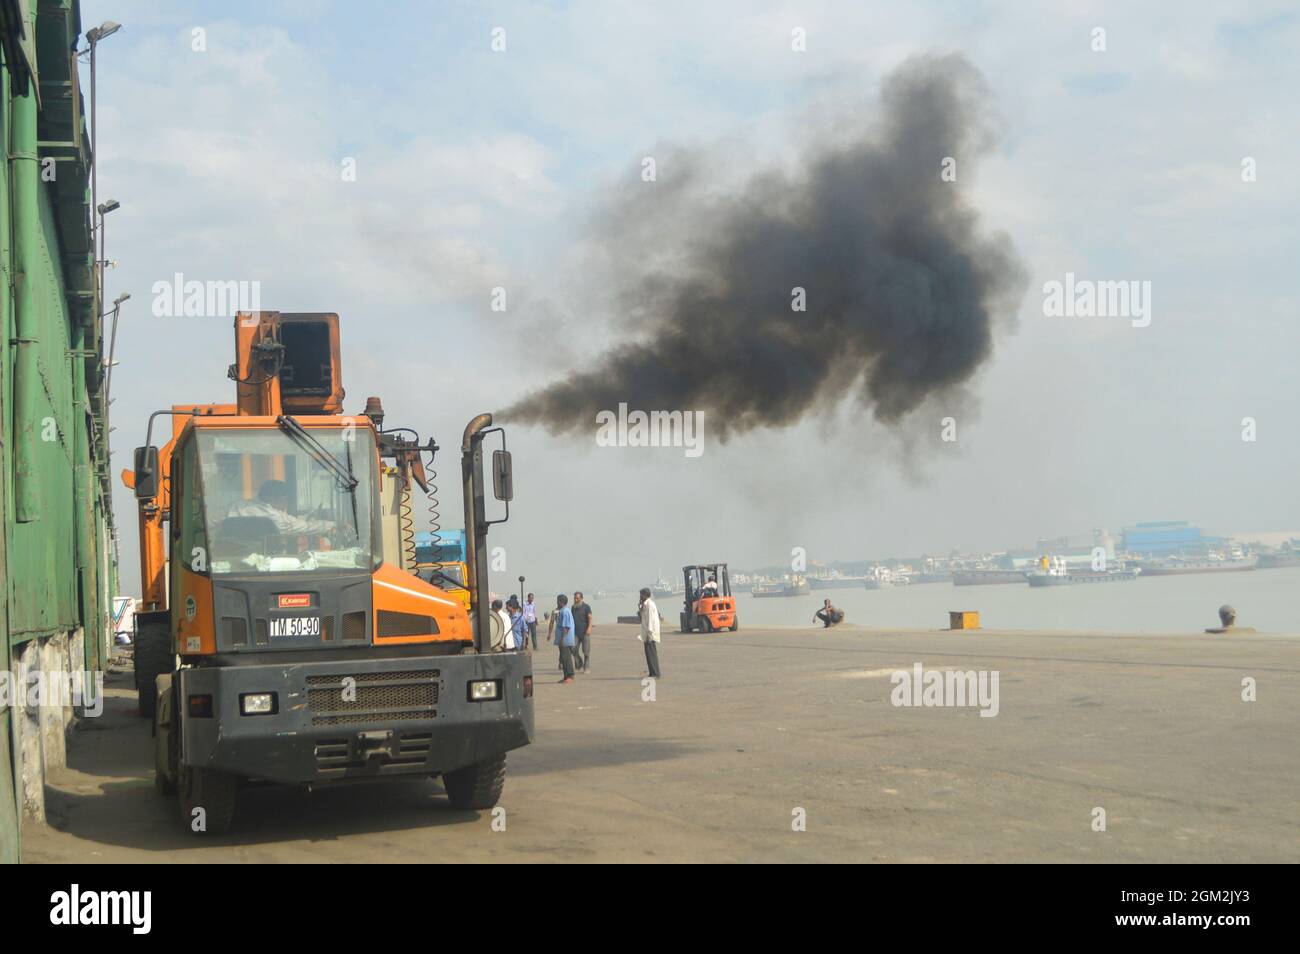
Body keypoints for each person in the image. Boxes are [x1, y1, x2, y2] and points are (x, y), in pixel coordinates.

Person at [227, 479, 335, 536]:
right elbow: (306, 527)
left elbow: (211, 522)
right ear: (271, 498)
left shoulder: (235, 506)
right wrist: (335, 525)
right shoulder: (274, 517)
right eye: (285, 499)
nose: (286, 504)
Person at [639, 587, 661, 678]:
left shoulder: (649, 605)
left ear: (645, 595)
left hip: (650, 633)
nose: (640, 597)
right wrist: (640, 607)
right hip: (647, 632)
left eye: (641, 595)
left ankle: (655, 672)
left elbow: (650, 620)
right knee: (648, 653)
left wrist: (649, 633)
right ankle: (652, 672)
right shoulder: (645, 604)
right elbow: (643, 617)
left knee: (651, 653)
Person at [554, 594, 576, 683]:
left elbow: (566, 627)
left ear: (561, 602)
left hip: (566, 639)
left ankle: (570, 675)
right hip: (562, 639)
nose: (557, 602)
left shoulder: (565, 611)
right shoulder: (561, 611)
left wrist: (563, 639)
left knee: (566, 658)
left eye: (558, 601)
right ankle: (565, 676)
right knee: (563, 658)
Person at [570, 591, 594, 674]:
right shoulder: (573, 607)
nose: (575, 600)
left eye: (577, 598)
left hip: (585, 632)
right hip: (575, 632)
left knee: (586, 651)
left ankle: (586, 667)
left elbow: (590, 618)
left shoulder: (586, 607)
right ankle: (579, 662)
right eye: (574, 598)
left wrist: (589, 628)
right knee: (573, 649)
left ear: (581, 598)